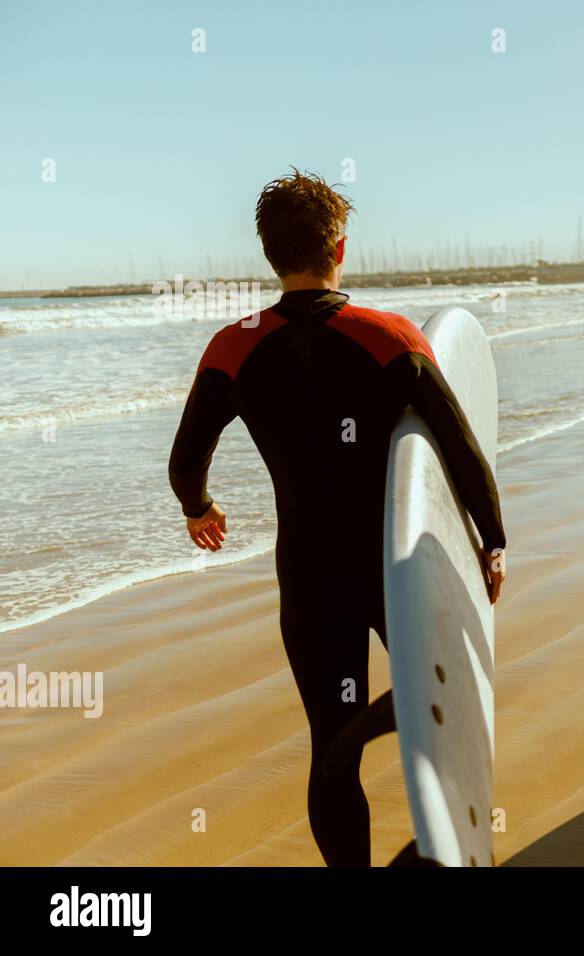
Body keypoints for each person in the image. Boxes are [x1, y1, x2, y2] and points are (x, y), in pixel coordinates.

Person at [168, 169, 506, 865]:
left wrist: (199, 508)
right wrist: (493, 542)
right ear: (340, 249)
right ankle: (420, 777)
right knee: (445, 715)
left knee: (330, 744)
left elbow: (183, 461)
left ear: (269, 252)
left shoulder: (234, 346)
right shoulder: (386, 336)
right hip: (393, 563)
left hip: (309, 574)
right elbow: (461, 448)